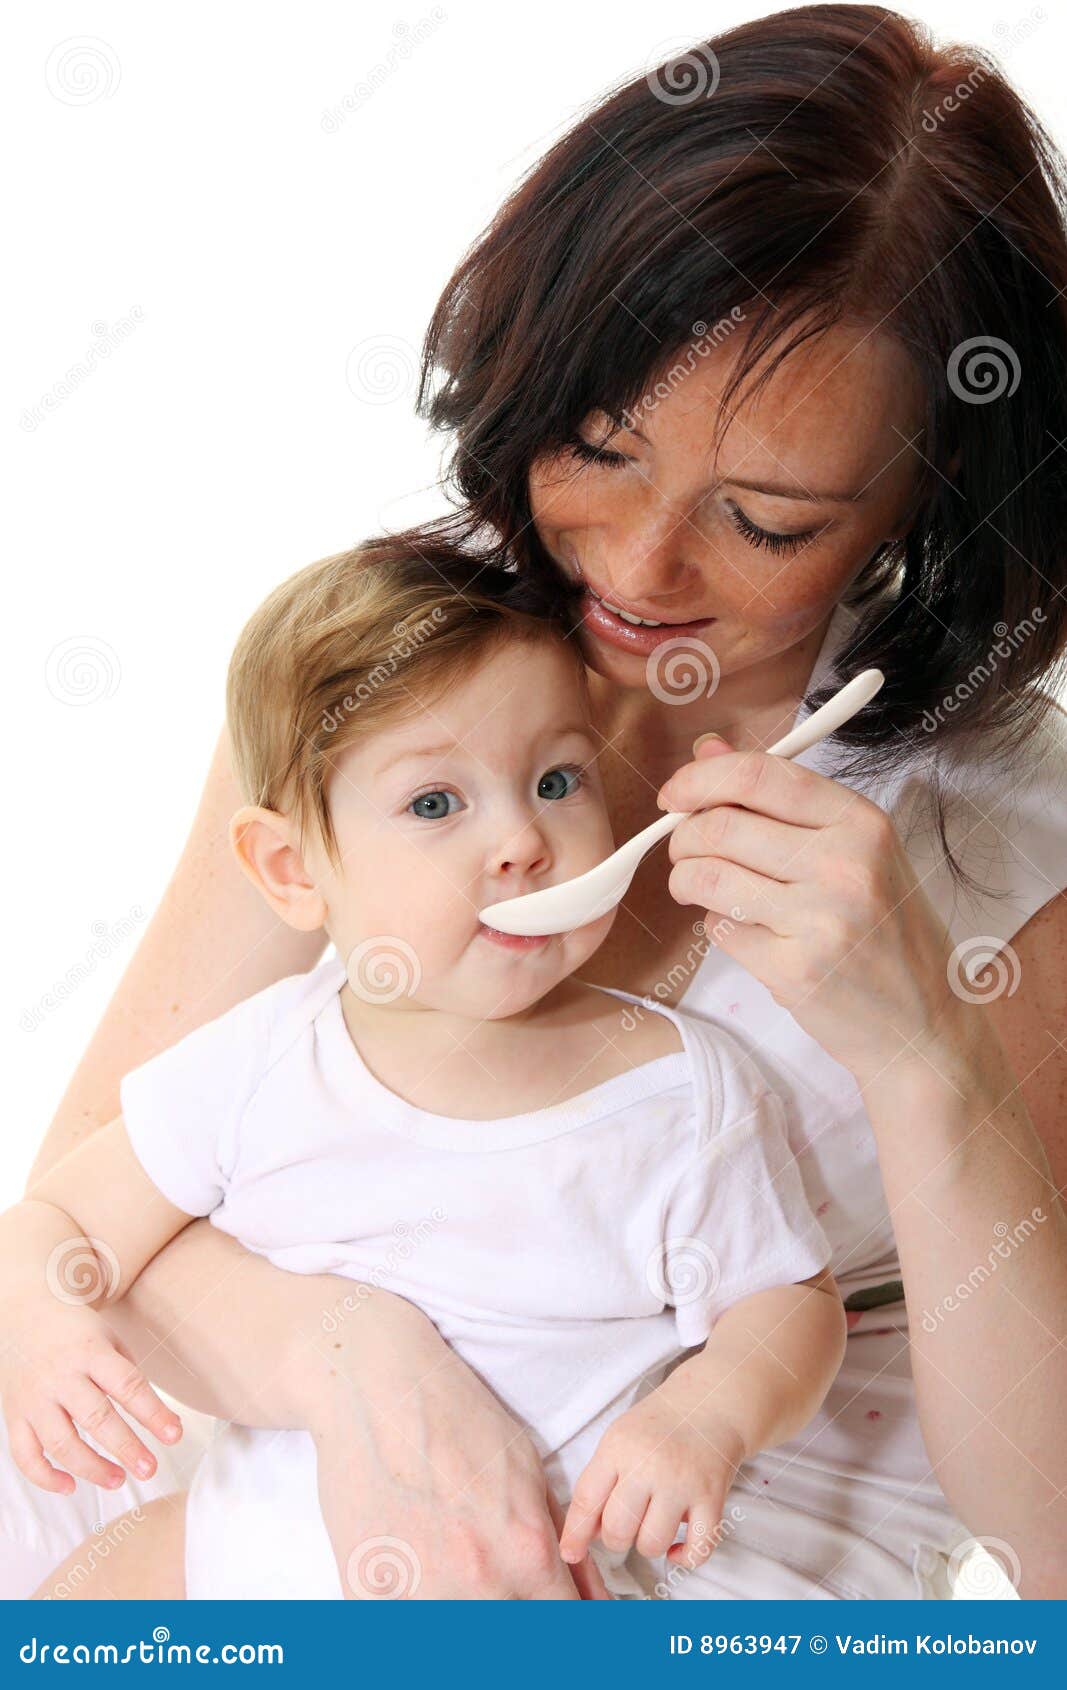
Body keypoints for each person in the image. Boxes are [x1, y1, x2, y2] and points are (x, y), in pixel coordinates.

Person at [3, 5, 1066, 1600]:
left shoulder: (1001, 839)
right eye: (594, 446)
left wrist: (918, 1046)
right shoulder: (384, 683)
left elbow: (1049, 1549)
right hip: (274, 1452)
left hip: (678, 1547)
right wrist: (356, 1362)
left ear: (927, 491)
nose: (634, 572)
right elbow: (87, 1227)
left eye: (763, 521)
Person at [0, 536, 845, 1600]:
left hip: (518, 1596)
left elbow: (789, 1305)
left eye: (553, 780)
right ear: (291, 870)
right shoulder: (263, 1060)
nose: (521, 842)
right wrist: (36, 1320)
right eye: (435, 803)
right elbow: (57, 1223)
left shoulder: (678, 1090)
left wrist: (702, 1416)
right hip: (234, 1570)